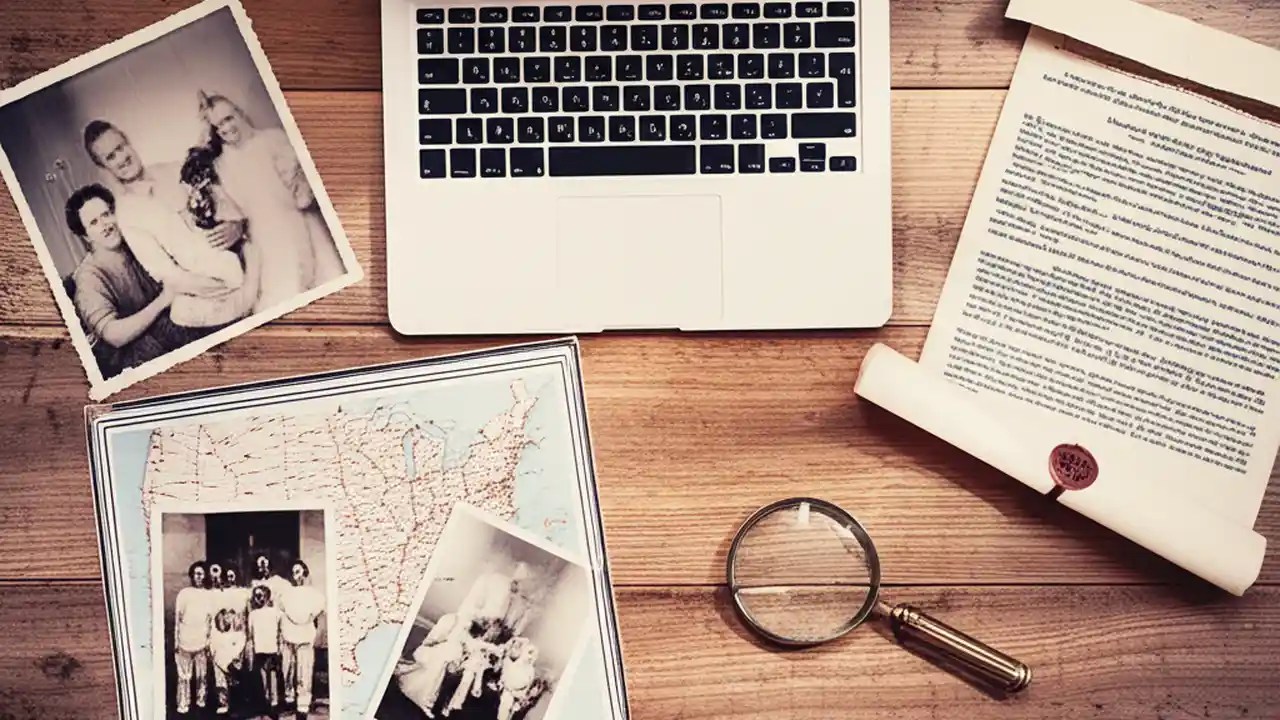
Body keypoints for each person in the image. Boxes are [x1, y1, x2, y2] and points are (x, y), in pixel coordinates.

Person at [83, 119, 260, 329]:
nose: (122, 158)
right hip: (205, 282)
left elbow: (226, 203)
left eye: (121, 147)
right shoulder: (128, 215)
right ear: (103, 166)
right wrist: (227, 288)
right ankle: (248, 293)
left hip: (236, 252)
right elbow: (169, 275)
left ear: (128, 142)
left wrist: (236, 226)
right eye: (111, 157)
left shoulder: (175, 169)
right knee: (184, 310)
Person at [199, 93, 344, 311]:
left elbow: (304, 195)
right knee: (281, 296)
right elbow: (233, 214)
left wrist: (302, 186)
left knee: (327, 279)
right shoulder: (221, 166)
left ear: (240, 113)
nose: (226, 128)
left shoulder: (274, 139)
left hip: (299, 222)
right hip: (263, 238)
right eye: (218, 125)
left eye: (228, 118)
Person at [64, 185, 181, 377]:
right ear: (86, 236)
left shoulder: (134, 239)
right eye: (94, 222)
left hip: (164, 326)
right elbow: (114, 335)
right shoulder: (88, 279)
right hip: (132, 358)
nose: (105, 225)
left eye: (107, 214)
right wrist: (163, 300)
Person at [277, 559, 326, 716]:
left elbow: (319, 616)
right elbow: (282, 613)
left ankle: (302, 706)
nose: (295, 575)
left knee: (304, 672)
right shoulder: (286, 593)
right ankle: (290, 699)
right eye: (292, 572)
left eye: (298, 571)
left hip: (304, 637)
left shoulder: (314, 594)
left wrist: (319, 635)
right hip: (288, 636)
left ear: (304, 572)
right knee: (287, 671)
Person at [396, 613, 466, 718]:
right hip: (439, 650)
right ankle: (424, 700)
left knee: (436, 669)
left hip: (443, 653)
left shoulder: (458, 637)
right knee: (432, 665)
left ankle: (426, 700)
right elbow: (438, 635)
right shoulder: (452, 620)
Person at [174, 561, 214, 715]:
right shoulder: (184, 594)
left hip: (202, 642)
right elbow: (178, 620)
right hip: (185, 641)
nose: (199, 577)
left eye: (202, 574)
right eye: (196, 574)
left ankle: (200, 703)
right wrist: (177, 642)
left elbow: (210, 620)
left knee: (202, 676)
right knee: (184, 677)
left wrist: (208, 641)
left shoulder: (208, 594)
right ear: (192, 576)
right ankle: (183, 705)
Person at [209, 563, 248, 715]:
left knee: (235, 670)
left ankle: (238, 705)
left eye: (232, 576)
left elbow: (244, 617)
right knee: (219, 671)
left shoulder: (242, 593)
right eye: (227, 576)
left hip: (236, 637)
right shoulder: (214, 594)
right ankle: (223, 703)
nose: (229, 579)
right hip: (218, 637)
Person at [248, 585, 284, 713]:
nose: (259, 599)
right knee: (263, 679)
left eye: (262, 595)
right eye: (256, 596)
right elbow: (251, 635)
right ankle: (267, 703)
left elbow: (280, 631)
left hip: (272, 649)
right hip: (260, 650)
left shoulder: (276, 612)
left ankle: (274, 704)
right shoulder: (252, 615)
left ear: (267, 596)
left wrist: (280, 648)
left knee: (273, 677)